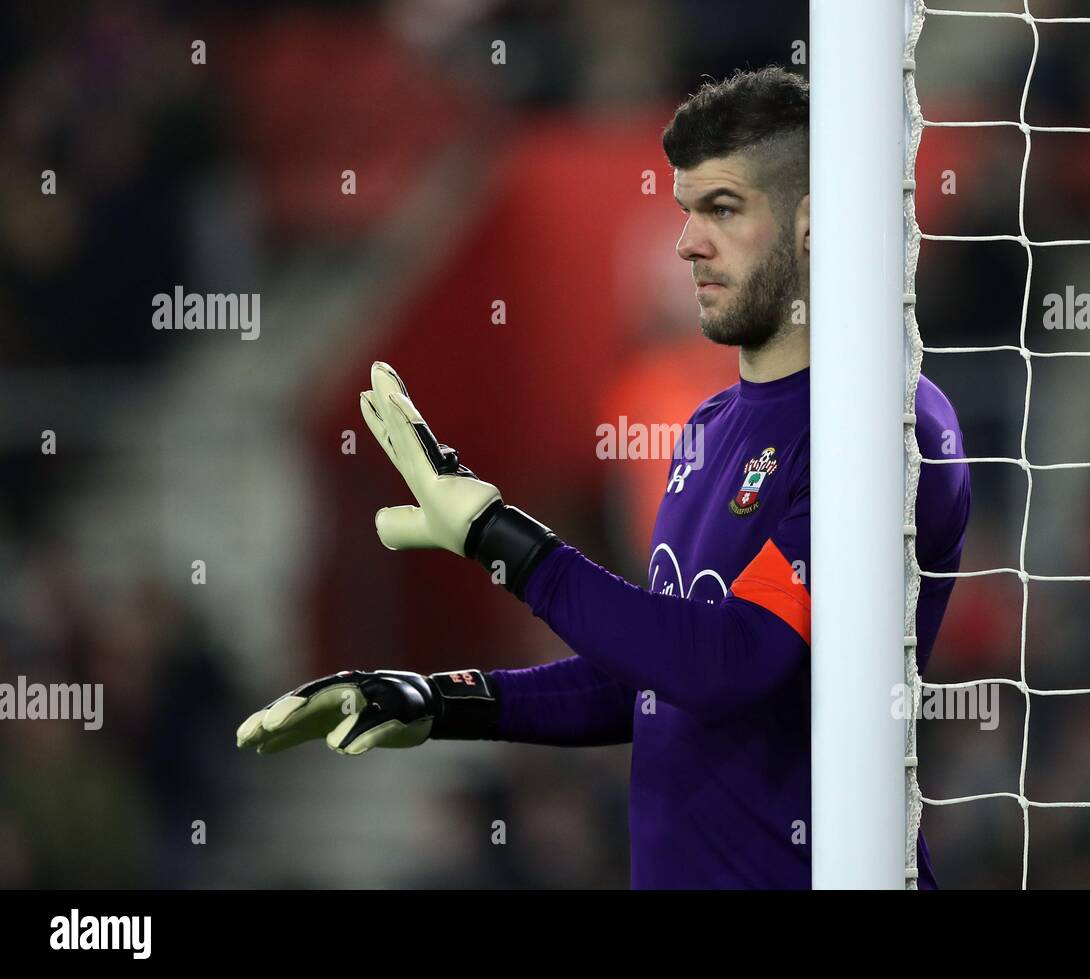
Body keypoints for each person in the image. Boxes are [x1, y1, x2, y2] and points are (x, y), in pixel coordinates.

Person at [237, 66, 971, 889]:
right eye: (686, 212)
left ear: (814, 224)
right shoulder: (706, 429)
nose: (687, 242)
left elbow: (728, 663)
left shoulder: (885, 425)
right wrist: (444, 701)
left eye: (722, 209)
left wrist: (499, 539)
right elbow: (651, 682)